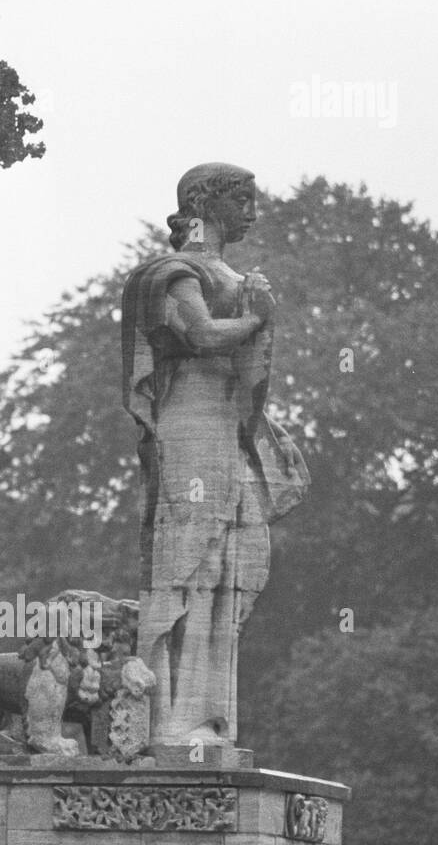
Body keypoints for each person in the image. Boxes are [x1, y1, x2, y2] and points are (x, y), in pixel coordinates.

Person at [121, 162, 310, 751]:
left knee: (234, 563)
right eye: (244, 199)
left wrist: (257, 318)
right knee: (189, 561)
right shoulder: (173, 271)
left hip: (226, 430)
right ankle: (170, 718)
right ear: (207, 203)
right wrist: (255, 317)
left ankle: (210, 715)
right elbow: (198, 335)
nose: (254, 210)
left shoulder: (231, 272)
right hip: (190, 424)